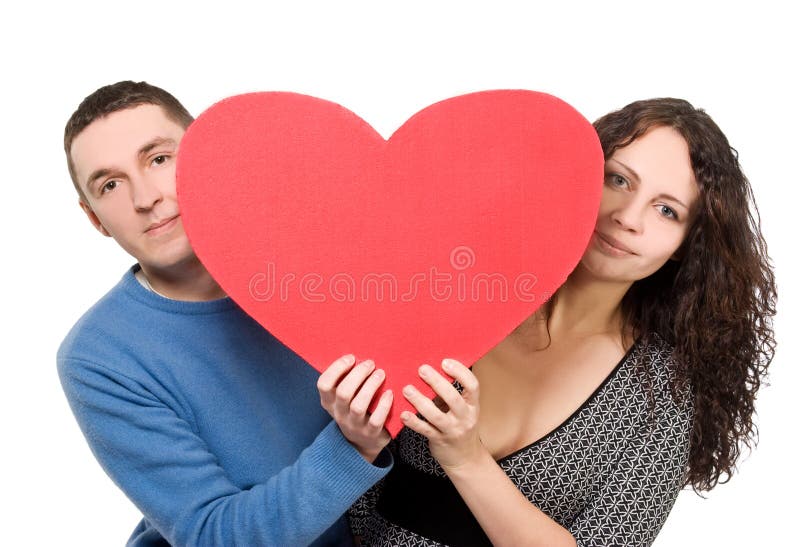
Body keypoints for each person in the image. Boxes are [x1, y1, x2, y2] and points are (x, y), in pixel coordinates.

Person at [349, 98, 777, 546]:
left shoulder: (662, 392)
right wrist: (357, 439)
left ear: (686, 246)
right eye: (618, 180)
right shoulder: (462, 289)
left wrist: (466, 459)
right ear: (578, 173)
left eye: (666, 210)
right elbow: (355, 484)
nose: (627, 217)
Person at [57, 80, 394, 546]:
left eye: (158, 159)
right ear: (94, 217)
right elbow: (212, 536)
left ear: (205, 157)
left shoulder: (315, 259)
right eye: (110, 184)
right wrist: (353, 445)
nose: (145, 198)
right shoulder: (99, 357)